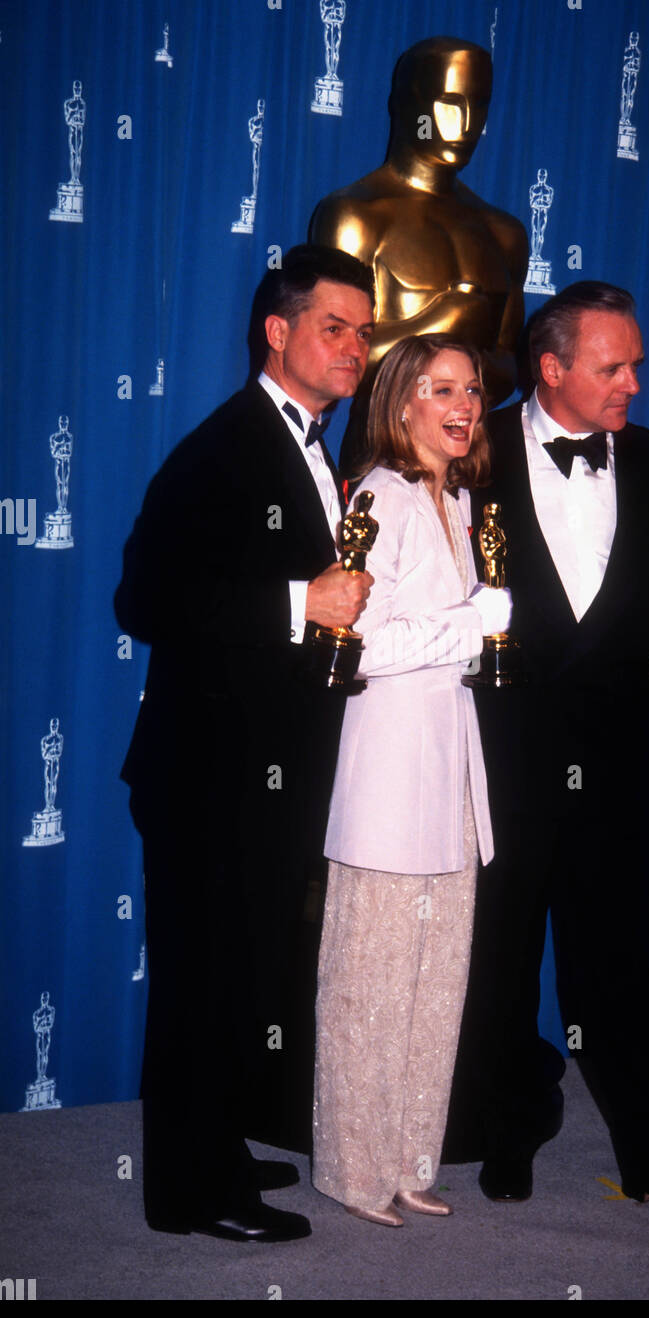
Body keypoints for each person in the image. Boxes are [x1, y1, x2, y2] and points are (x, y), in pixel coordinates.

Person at [446, 281, 649, 1235]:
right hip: (500, 757)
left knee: (621, 965)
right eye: (614, 367)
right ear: (552, 368)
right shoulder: (468, 451)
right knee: (498, 958)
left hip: (617, 763)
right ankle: (509, 1131)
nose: (633, 384)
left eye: (637, 364)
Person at [114, 244, 375, 1243]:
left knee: (241, 975)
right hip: (208, 775)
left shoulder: (307, 443)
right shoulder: (223, 447)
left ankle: (213, 1144)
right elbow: (144, 598)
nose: (355, 348)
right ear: (280, 331)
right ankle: (186, 1191)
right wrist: (296, 601)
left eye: (362, 330)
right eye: (333, 327)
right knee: (201, 981)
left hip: (266, 774)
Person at [312, 334, 510, 1226]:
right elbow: (363, 646)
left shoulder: (456, 501)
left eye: (472, 388)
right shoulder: (381, 498)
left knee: (436, 991)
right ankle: (354, 1173)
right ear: (400, 404)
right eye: (442, 389)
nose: (464, 403)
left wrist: (472, 625)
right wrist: (471, 625)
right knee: (372, 989)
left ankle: (409, 1162)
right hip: (390, 777)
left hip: (452, 779)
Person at [310, 36, 528, 466]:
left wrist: (453, 375)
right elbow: (336, 360)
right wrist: (442, 321)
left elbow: (509, 367)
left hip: (473, 463)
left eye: (478, 104)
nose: (464, 124)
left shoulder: (503, 232)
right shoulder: (357, 216)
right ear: (405, 103)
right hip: (382, 459)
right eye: (448, 102)